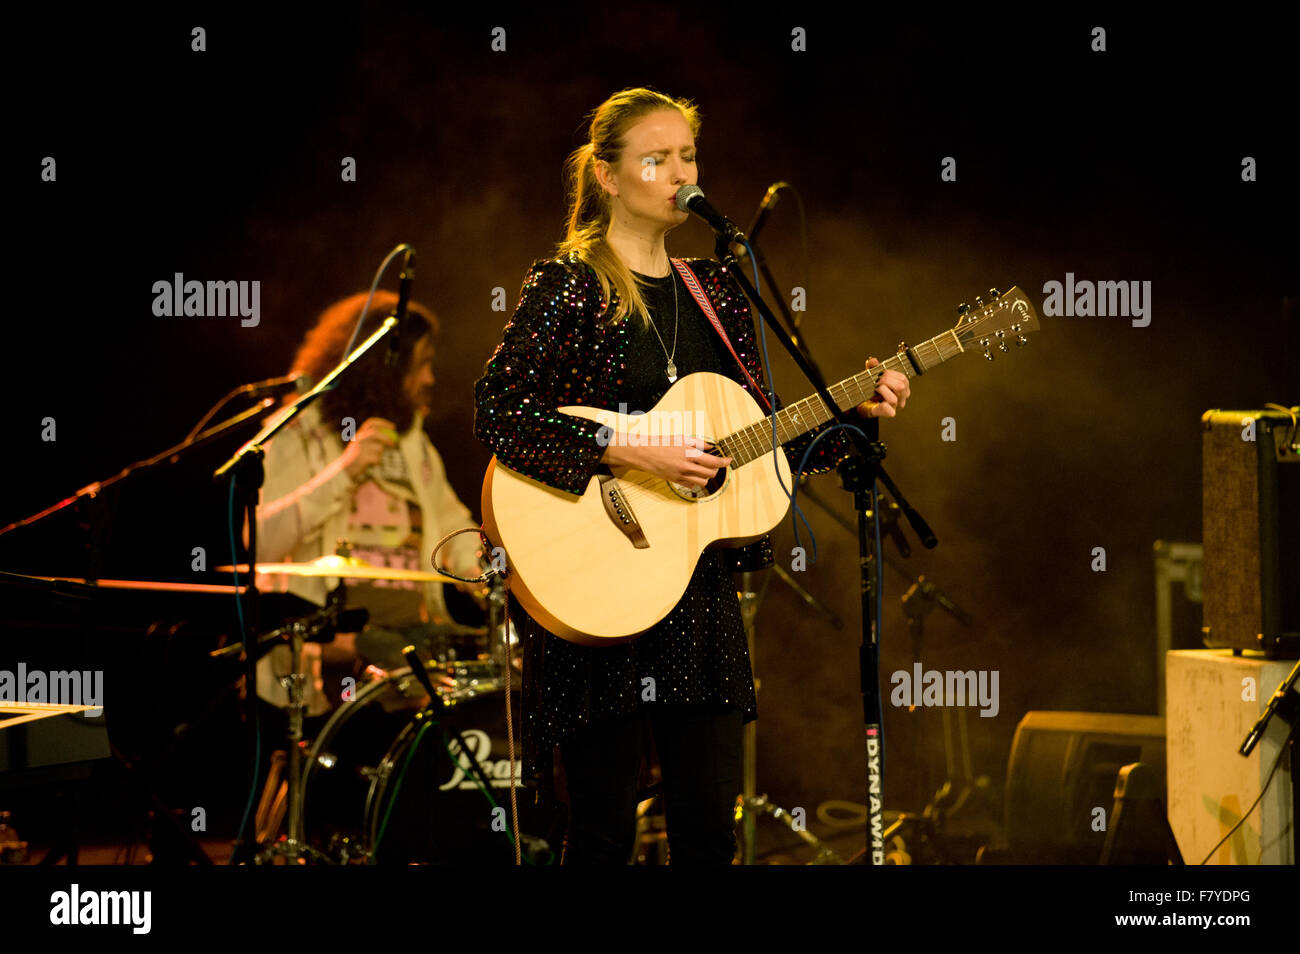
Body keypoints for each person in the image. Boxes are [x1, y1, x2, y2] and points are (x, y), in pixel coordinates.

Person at [473, 87, 911, 864]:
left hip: (694, 600)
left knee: (709, 831)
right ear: (608, 176)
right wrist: (629, 450)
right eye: (657, 157)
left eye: (688, 156)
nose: (680, 172)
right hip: (594, 583)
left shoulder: (718, 293)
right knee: (602, 830)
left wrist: (855, 415)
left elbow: (767, 443)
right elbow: (501, 412)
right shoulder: (572, 286)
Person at [255, 291, 484, 714]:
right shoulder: (296, 432)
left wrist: (478, 570)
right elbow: (259, 544)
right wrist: (344, 471)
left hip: (410, 645)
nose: (430, 379)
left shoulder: (413, 441)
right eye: (421, 365)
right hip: (328, 659)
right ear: (385, 369)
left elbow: (453, 523)